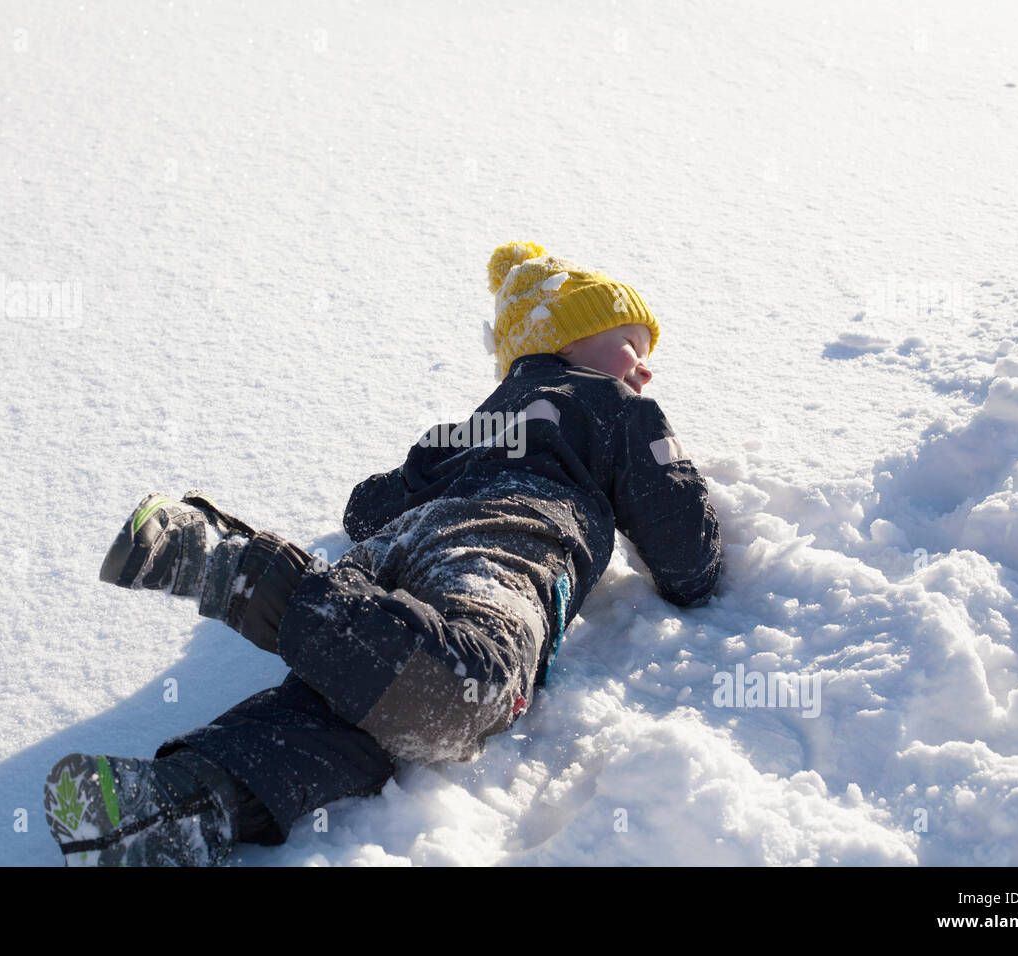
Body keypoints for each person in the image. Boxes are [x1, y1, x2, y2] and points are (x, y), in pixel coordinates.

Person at [43, 241, 724, 865]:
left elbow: (368, 507)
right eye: (630, 343)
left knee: (368, 703)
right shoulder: (615, 406)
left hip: (392, 557)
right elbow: (684, 557)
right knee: (468, 689)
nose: (644, 365)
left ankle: (178, 803)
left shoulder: (471, 428)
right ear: (569, 340)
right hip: (500, 548)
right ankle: (242, 570)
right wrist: (682, 488)